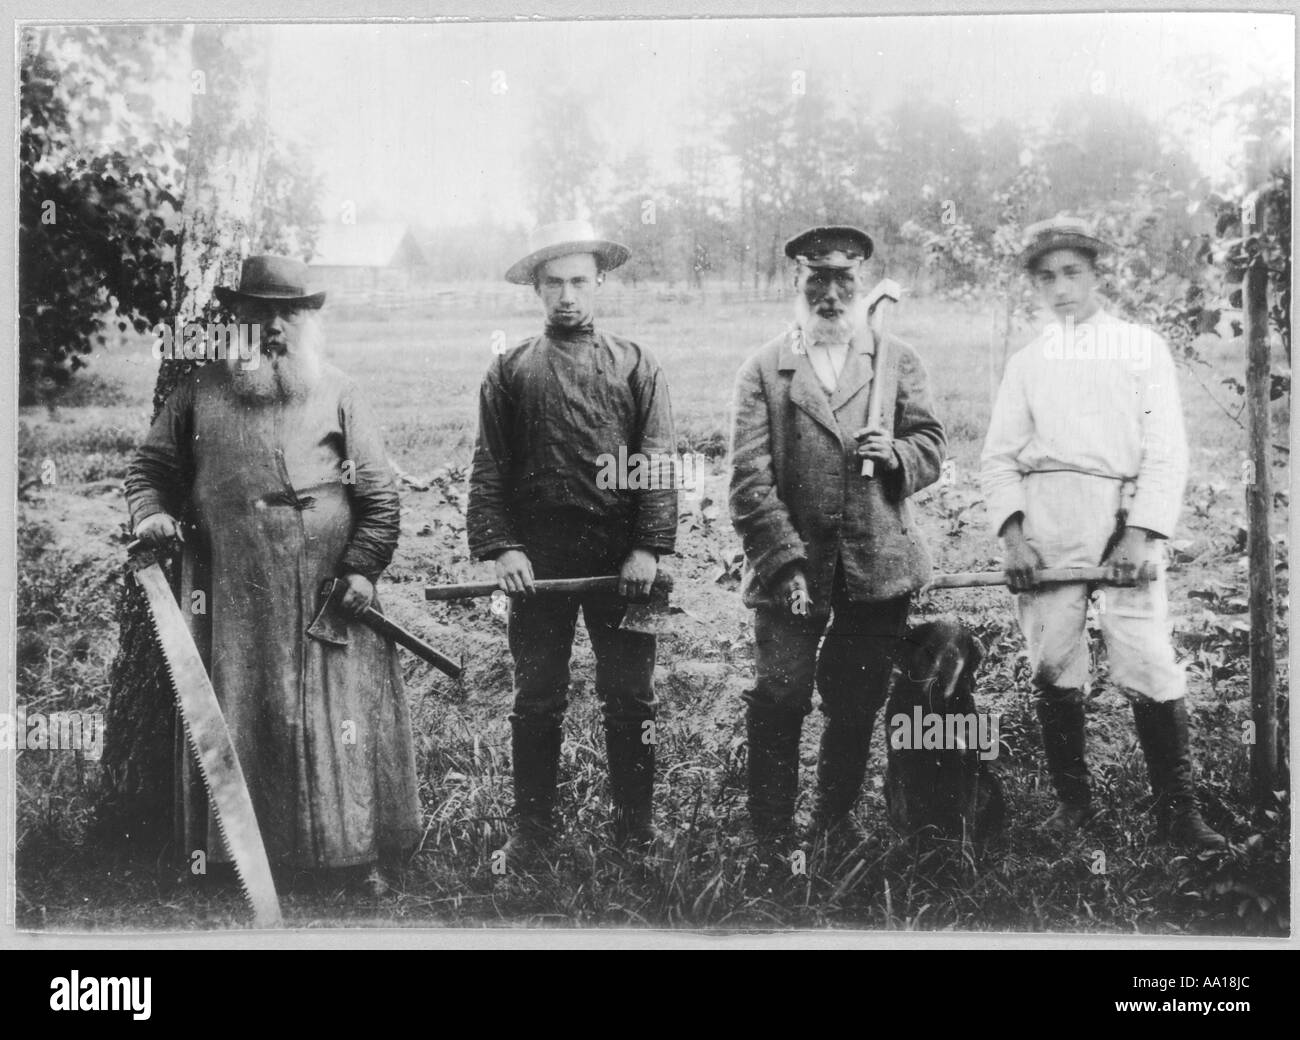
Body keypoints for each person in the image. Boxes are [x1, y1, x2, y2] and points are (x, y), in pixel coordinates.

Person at [125, 255, 422, 880]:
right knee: (246, 713)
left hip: (329, 595)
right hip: (230, 593)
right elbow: (148, 470)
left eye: (288, 312)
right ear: (236, 319)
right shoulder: (197, 394)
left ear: (309, 320)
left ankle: (355, 854)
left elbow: (380, 494)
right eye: (258, 313)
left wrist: (364, 569)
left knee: (337, 721)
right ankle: (249, 860)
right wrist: (150, 514)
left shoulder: (340, 391)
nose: (273, 327)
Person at [979, 216, 1226, 849]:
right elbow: (999, 457)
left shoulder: (1140, 348)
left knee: (1146, 656)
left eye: (1072, 274)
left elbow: (1166, 450)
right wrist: (1013, 536)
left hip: (1121, 518)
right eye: (1045, 278)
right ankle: (1074, 806)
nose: (1060, 289)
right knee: (1054, 662)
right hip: (1047, 522)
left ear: (1097, 275)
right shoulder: (1028, 363)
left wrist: (1142, 533)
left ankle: (1178, 810)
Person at [729, 225, 946, 857]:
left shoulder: (895, 359)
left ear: (861, 283)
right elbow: (748, 479)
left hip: (876, 564)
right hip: (793, 566)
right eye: (815, 279)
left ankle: (834, 819)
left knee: (855, 699)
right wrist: (784, 562)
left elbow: (932, 444)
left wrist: (899, 452)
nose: (829, 294)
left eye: (842, 280)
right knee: (780, 694)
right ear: (795, 282)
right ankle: (771, 833)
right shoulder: (765, 370)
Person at [467, 220, 678, 858]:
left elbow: (660, 461)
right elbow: (489, 465)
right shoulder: (509, 372)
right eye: (554, 283)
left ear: (600, 283)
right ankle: (532, 833)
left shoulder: (637, 363)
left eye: (579, 281)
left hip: (623, 566)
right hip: (539, 565)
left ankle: (635, 833)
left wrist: (646, 546)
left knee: (631, 701)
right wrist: (504, 546)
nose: (567, 296)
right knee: (536, 700)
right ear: (536, 289)